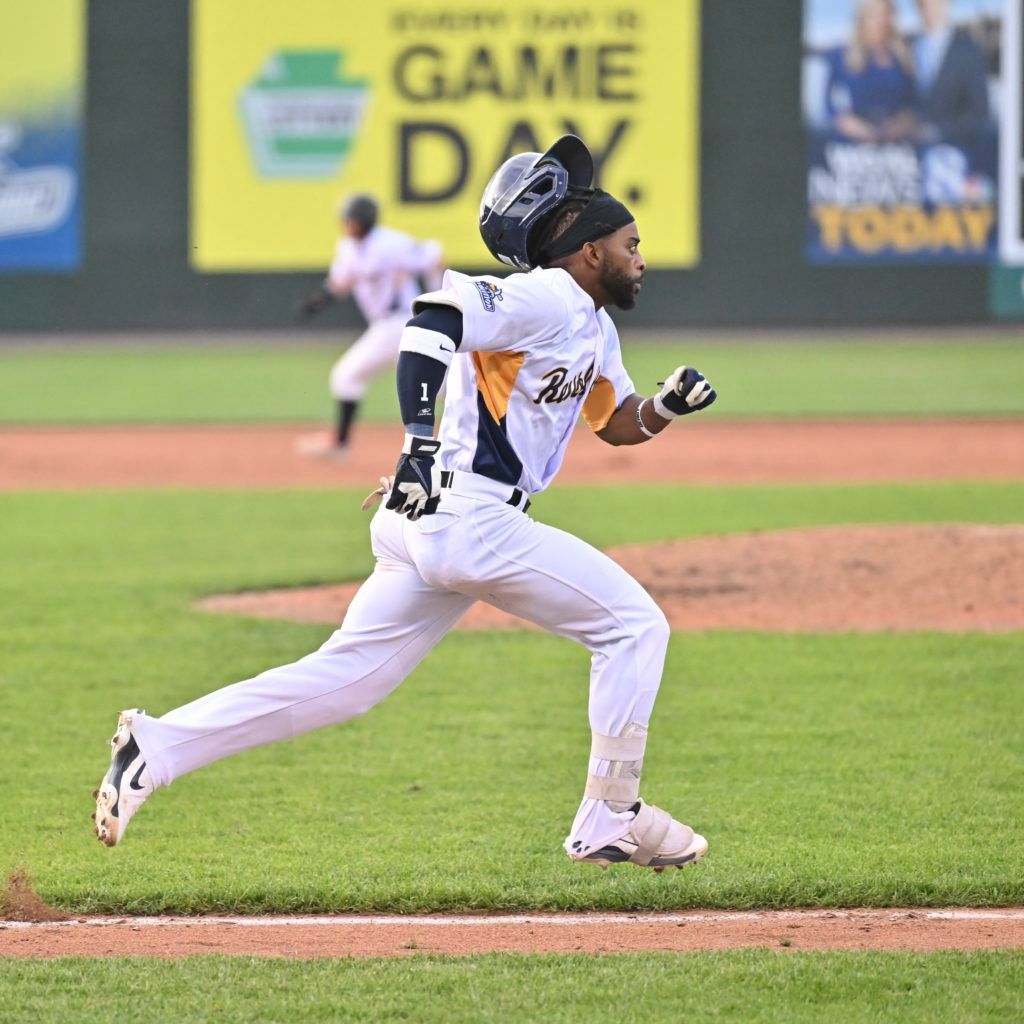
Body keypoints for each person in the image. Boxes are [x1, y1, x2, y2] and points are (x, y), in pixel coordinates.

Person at [92, 135, 718, 871]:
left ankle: (156, 747)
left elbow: (614, 423)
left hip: (433, 521)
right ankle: (609, 814)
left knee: (346, 681)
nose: (640, 256)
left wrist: (667, 407)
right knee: (634, 627)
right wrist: (420, 442)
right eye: (629, 242)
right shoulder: (544, 296)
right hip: (468, 516)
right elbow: (431, 319)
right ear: (587, 254)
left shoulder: (592, 326)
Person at [295, 194, 444, 459]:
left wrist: (438, 296)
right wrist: (316, 303)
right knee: (444, 386)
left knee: (346, 376)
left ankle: (340, 445)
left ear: (363, 221)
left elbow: (433, 255)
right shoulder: (348, 247)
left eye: (350, 219)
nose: (346, 224)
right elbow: (339, 283)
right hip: (387, 326)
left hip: (401, 322)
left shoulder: (390, 243)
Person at [824, 0, 919, 143]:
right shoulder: (842, 54)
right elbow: (828, 103)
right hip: (855, 142)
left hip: (898, 142)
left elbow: (914, 100)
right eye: (873, 15)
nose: (879, 21)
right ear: (861, 18)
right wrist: (846, 123)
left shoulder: (903, 54)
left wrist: (905, 122)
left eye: (885, 14)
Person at [912, 0, 990, 143]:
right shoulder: (909, 49)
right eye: (925, 3)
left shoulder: (968, 51)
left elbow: (980, 113)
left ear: (947, 3)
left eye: (936, 2)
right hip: (909, 153)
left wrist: (939, 132)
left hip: (956, 151)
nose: (931, 7)